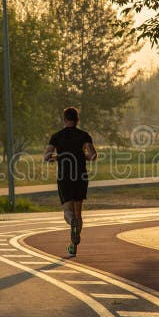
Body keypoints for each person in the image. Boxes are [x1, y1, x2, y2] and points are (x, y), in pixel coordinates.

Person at [44, 107, 97, 256]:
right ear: (77, 120)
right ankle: (73, 247)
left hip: (64, 177)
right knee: (78, 213)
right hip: (80, 176)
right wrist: (84, 157)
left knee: (68, 211)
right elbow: (93, 155)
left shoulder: (56, 137)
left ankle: (71, 221)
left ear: (64, 120)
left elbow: (46, 156)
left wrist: (57, 156)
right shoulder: (84, 136)